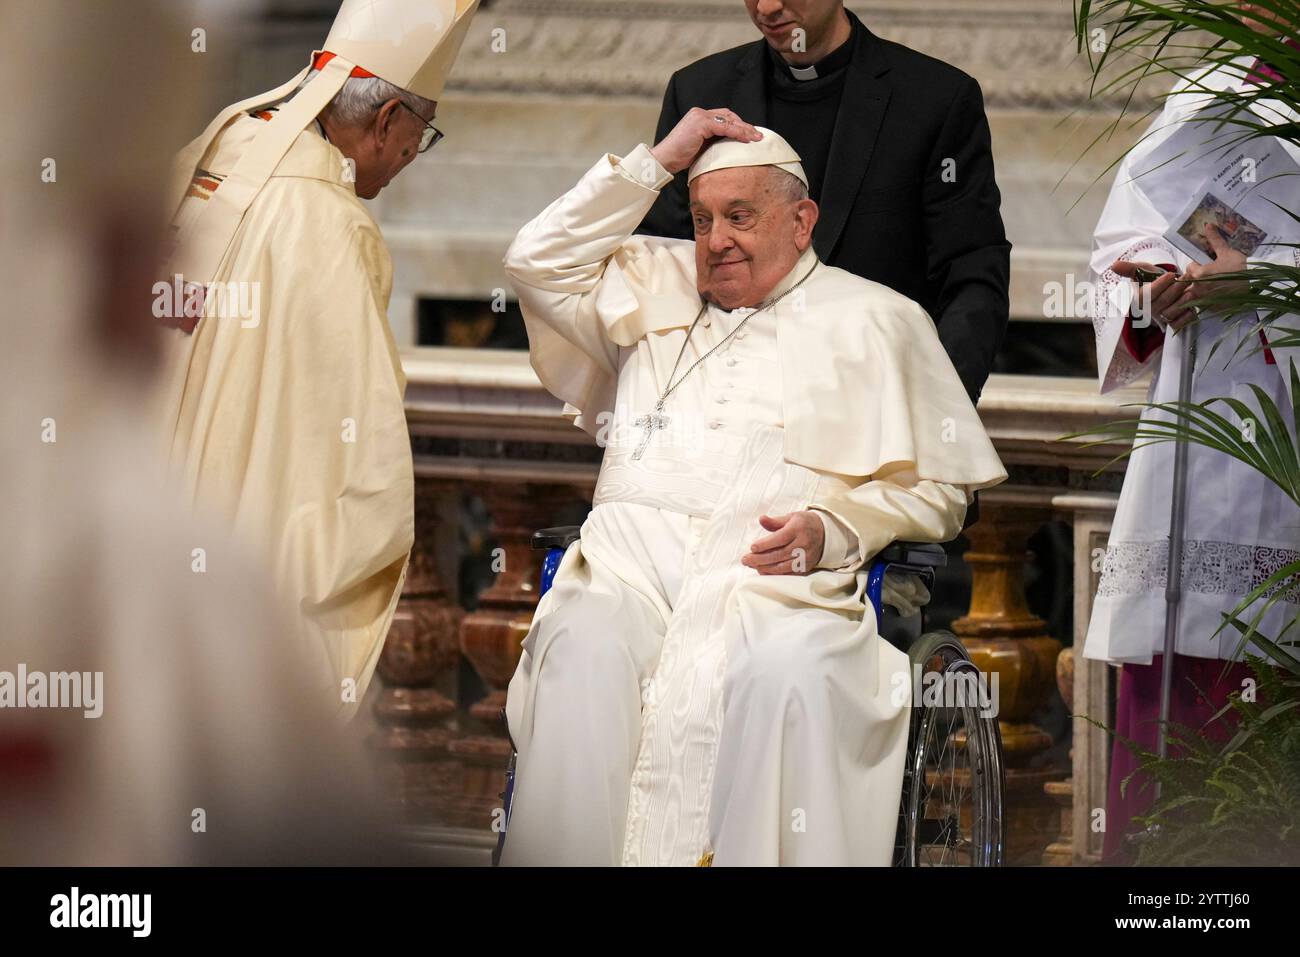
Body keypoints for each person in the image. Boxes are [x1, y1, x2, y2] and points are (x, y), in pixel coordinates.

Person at [499, 111, 1006, 866]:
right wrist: (660, 160)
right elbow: (535, 260)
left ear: (803, 221)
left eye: (741, 217)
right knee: (579, 652)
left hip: (778, 590)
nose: (716, 239)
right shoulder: (652, 278)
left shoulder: (878, 318)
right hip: (630, 576)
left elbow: (938, 492)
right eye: (703, 219)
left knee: (784, 675)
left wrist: (832, 530)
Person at [155, 0, 478, 718]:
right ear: (389, 118)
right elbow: (359, 462)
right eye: (418, 135)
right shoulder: (330, 225)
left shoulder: (218, 156)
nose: (406, 157)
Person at [1081, 7, 1300, 862]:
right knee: (1177, 664)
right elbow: (1124, 236)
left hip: (1279, 433)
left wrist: (1266, 280)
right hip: (1195, 419)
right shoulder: (1201, 97)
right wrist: (1151, 293)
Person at [638, 0, 1011, 403]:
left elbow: (971, 270)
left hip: (868, 401)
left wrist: (938, 409)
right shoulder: (699, 91)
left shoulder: (934, 99)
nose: (767, 7)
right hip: (724, 404)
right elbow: (661, 257)